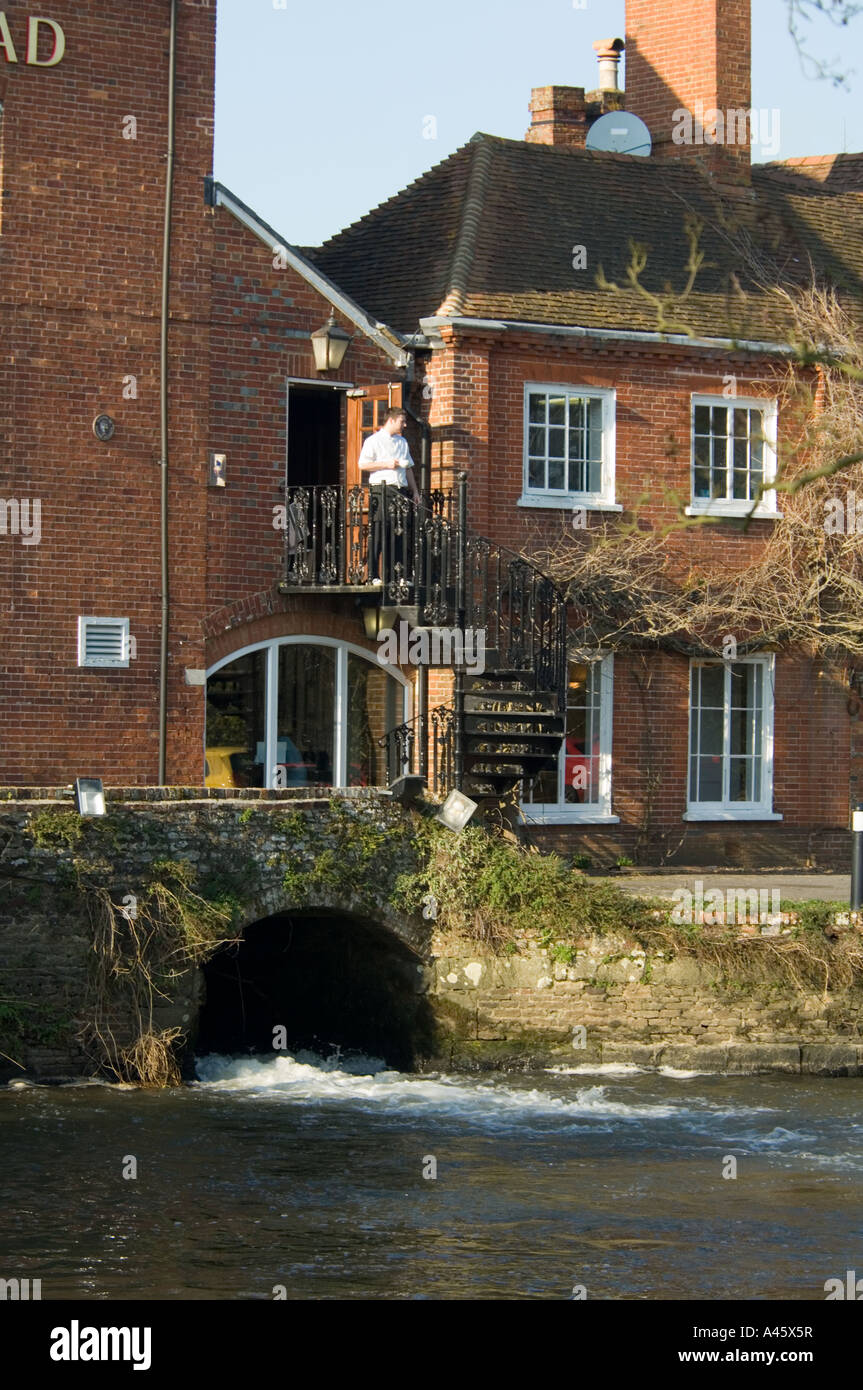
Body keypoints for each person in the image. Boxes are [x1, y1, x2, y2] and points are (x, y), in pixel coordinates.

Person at [357, 407, 420, 583]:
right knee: (378, 532)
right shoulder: (373, 441)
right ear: (391, 421)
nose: (405, 424)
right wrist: (386, 463)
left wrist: (414, 491)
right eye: (402, 421)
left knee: (398, 533)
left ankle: (396, 576)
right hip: (381, 490)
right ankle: (373, 575)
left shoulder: (402, 442)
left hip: (400, 490)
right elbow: (362, 464)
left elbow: (408, 468)